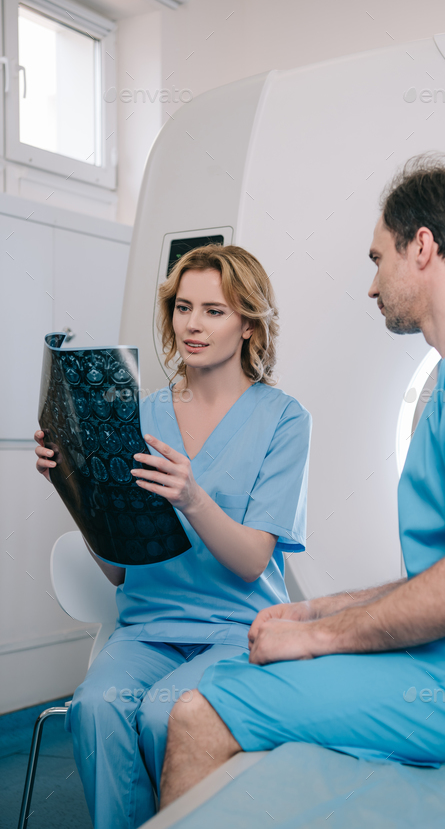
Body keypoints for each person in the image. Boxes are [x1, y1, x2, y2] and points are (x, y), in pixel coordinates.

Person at [158, 155, 445, 808]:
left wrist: (315, 638)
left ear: (422, 246)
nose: (371, 285)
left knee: (200, 709)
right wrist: (318, 608)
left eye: (376, 257)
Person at [34, 244, 311, 829]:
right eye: (184, 307)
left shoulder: (284, 419)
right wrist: (73, 484)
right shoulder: (135, 414)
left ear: (249, 323)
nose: (192, 324)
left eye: (214, 310)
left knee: (166, 715)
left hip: (238, 630)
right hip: (148, 628)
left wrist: (192, 496)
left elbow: (251, 561)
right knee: (94, 707)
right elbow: (116, 568)